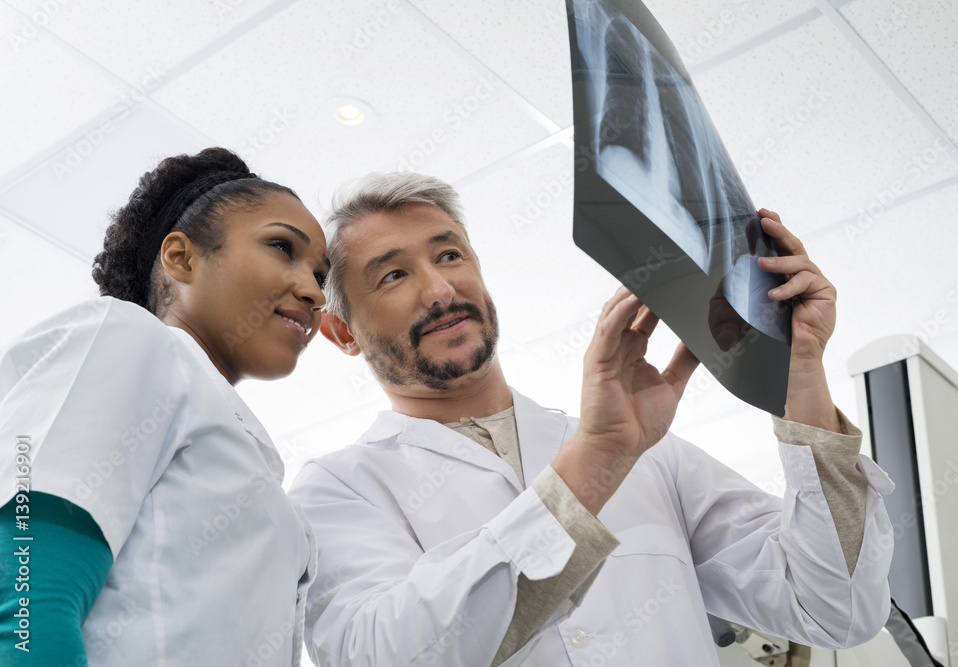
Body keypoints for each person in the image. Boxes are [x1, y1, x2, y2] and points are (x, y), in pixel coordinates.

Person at [289, 172, 895, 666]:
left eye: (449, 255)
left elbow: (833, 606)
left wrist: (802, 373)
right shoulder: (339, 489)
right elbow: (386, 657)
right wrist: (597, 462)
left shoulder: (651, 452)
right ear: (342, 331)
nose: (441, 288)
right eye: (394, 274)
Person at [0, 147, 330, 666]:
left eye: (321, 275)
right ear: (181, 257)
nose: (314, 292)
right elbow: (23, 598)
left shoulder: (248, 459)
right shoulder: (128, 338)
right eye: (282, 247)